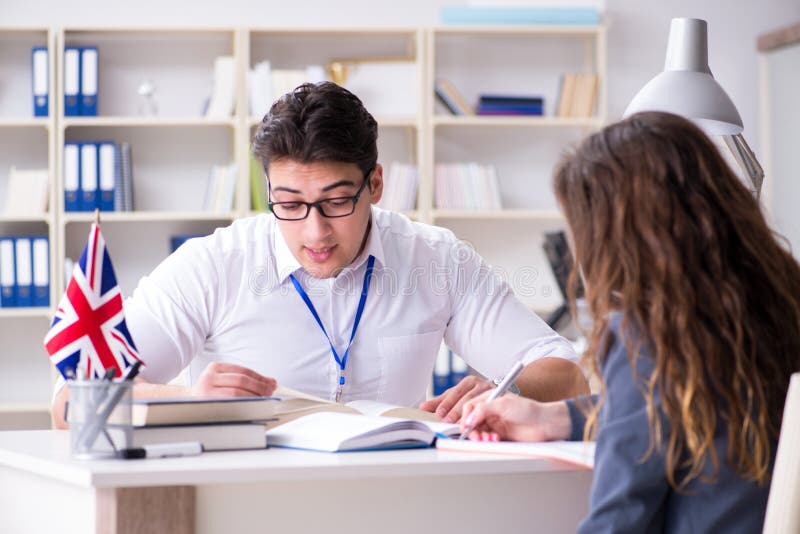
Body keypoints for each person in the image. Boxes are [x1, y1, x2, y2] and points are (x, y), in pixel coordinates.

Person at [52, 82, 588, 428]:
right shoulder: (212, 265)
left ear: (375, 184)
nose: (315, 231)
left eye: (335, 201)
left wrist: (507, 389)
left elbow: (570, 371)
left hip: (396, 501)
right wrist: (187, 398)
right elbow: (70, 401)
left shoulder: (435, 258)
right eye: (290, 204)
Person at [460, 112, 800, 532]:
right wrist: (555, 418)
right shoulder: (777, 298)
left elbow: (618, 521)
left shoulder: (647, 335)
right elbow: (679, 409)